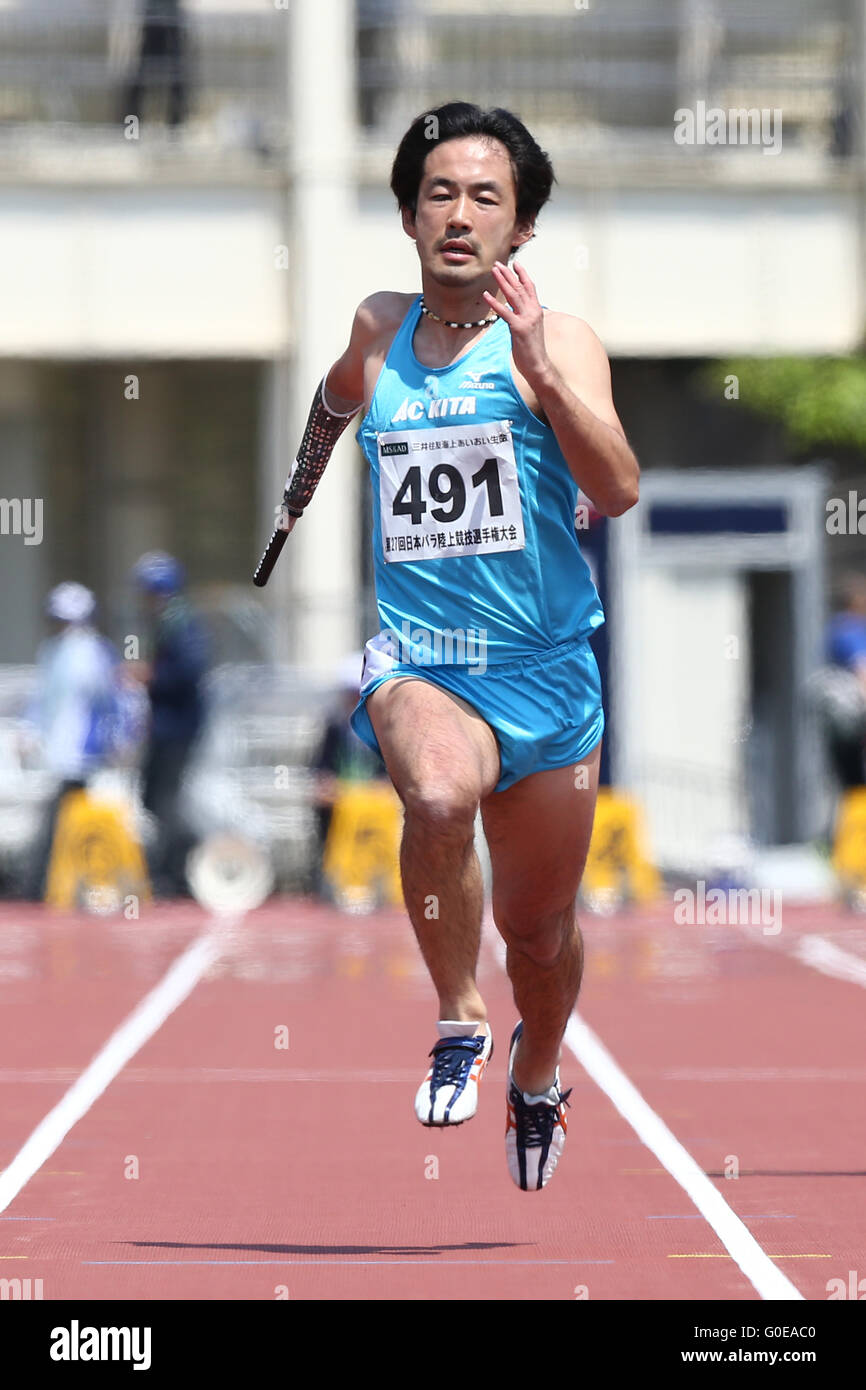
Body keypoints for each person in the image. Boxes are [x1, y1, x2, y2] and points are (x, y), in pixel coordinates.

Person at [272, 102, 639, 1190]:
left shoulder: (559, 341)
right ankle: (456, 1013)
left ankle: (539, 1065)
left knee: (540, 932)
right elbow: (334, 402)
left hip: (548, 677)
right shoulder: (378, 327)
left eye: (487, 198)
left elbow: (615, 488)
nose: (461, 215)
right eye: (440, 193)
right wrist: (298, 489)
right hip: (423, 657)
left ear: (519, 228)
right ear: (405, 213)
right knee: (434, 797)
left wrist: (540, 371)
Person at [22, 584, 120, 901]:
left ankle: (71, 882)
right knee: (63, 816)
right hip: (59, 752)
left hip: (84, 751)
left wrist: (114, 739)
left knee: (74, 818)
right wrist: (31, 731)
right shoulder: (53, 651)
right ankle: (56, 882)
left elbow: (109, 701)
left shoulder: (95, 652)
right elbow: (43, 700)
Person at [130, 551, 209, 896]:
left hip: (179, 728)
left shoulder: (182, 622)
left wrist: (151, 676)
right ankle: (169, 866)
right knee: (151, 796)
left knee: (166, 800)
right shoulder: (165, 622)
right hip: (164, 726)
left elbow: (189, 672)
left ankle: (173, 872)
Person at [311, 653, 390, 897]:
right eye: (350, 695)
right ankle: (337, 878)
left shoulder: (385, 728)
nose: (354, 701)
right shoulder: (334, 727)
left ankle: (378, 878)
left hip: (375, 805)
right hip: (342, 803)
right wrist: (325, 785)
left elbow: (390, 776)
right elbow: (320, 770)